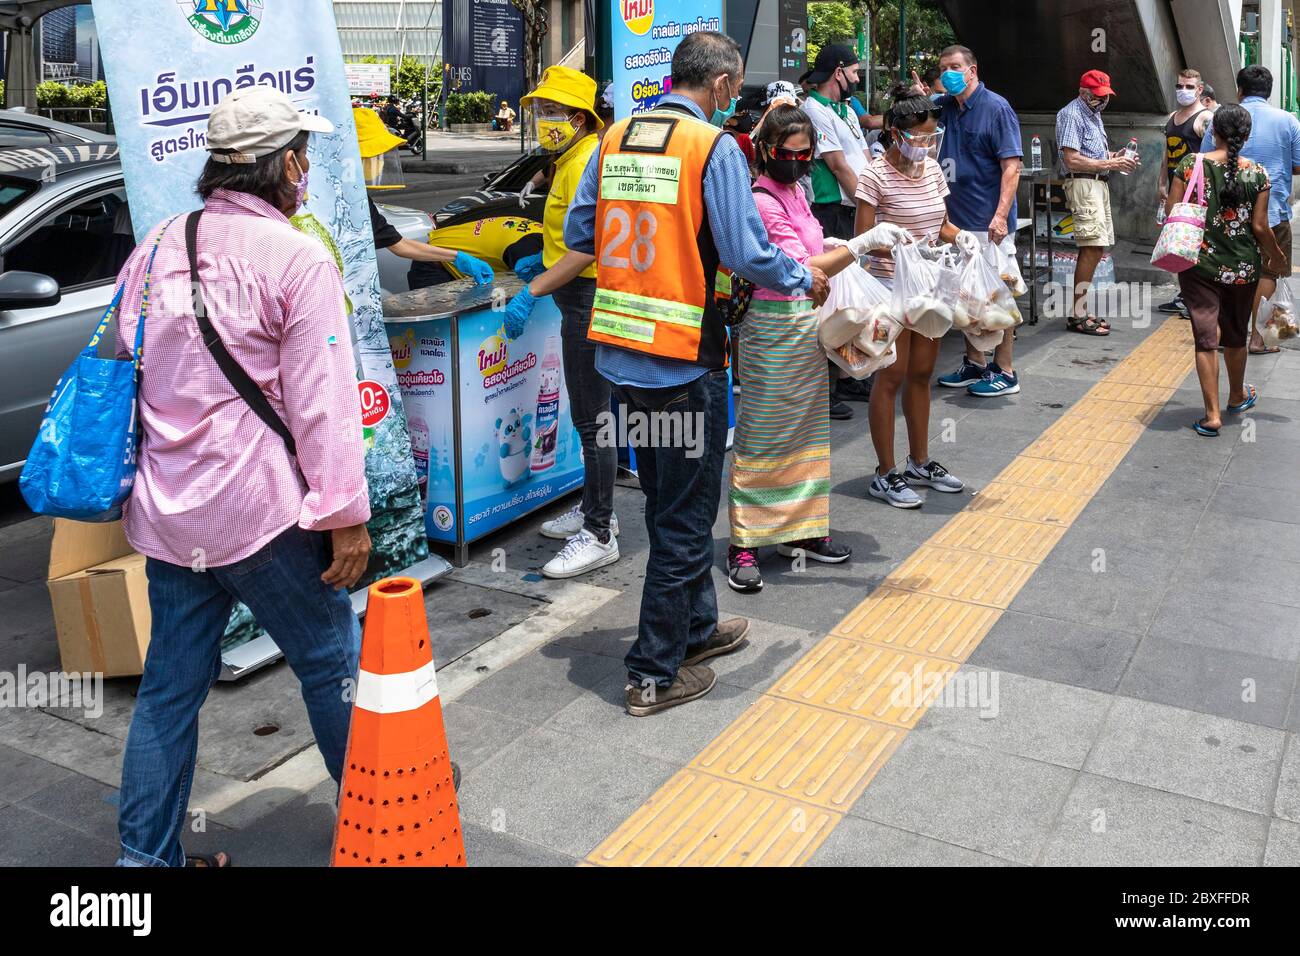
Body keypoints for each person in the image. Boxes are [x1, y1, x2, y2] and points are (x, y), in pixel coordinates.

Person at [111, 87, 369, 867]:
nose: (308, 171)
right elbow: (324, 405)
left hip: (170, 516)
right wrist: (345, 517)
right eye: (306, 157)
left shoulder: (158, 244)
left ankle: (143, 866)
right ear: (286, 164)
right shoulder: (295, 257)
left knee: (167, 694)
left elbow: (125, 355)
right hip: (262, 515)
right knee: (331, 665)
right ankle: (381, 822)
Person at [564, 31, 830, 715]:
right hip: (684, 360)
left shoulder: (615, 136)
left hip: (623, 354)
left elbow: (577, 234)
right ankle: (653, 672)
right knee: (685, 519)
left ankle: (697, 630)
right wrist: (803, 276)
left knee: (667, 500)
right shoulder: (710, 148)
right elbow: (747, 252)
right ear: (718, 84)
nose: (732, 99)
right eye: (733, 89)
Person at [726, 103, 907, 592]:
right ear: (768, 152)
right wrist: (864, 242)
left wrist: (837, 242)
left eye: (808, 154)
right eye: (792, 153)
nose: (802, 161)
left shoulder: (796, 191)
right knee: (763, 434)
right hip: (772, 328)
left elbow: (813, 248)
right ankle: (743, 542)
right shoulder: (763, 199)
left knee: (808, 432)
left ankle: (802, 533)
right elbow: (801, 263)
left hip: (807, 324)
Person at [501, 67, 618, 580]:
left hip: (587, 295)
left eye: (552, 112)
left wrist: (535, 287)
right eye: (539, 111)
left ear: (578, 117)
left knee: (595, 421)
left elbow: (586, 246)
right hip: (575, 294)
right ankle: (597, 506)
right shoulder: (568, 158)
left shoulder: (584, 160)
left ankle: (600, 531)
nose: (543, 120)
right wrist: (542, 267)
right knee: (589, 417)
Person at [856, 83, 980, 509]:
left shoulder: (930, 170)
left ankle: (920, 461)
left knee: (923, 373)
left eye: (932, 139)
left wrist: (962, 237)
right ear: (894, 134)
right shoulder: (874, 175)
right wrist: (899, 246)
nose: (926, 147)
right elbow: (863, 240)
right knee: (890, 376)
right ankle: (885, 472)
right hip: (890, 290)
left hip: (929, 288)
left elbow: (942, 224)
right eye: (919, 139)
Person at [1167, 104, 1286, 435]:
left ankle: (1212, 416)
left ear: (1212, 132)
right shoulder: (1258, 173)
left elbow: (1172, 210)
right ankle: (1236, 396)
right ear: (1246, 137)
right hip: (1243, 266)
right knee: (1236, 335)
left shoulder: (1191, 164)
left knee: (1206, 339)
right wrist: (1277, 256)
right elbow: (1261, 227)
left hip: (1198, 264)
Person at [931, 44, 1026, 396]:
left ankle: (1006, 370)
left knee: (998, 297)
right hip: (956, 227)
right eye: (943, 68)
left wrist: (1000, 216)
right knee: (967, 300)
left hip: (989, 227)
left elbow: (1011, 167)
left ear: (972, 70)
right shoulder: (943, 108)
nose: (948, 73)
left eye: (955, 66)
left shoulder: (996, 108)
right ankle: (975, 363)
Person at [1200, 65, 1300, 353]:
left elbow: (1209, 158)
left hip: (1225, 214)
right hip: (1272, 212)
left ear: (1239, 90)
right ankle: (1259, 339)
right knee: (1268, 273)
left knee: (1223, 270)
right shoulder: (1288, 121)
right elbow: (1298, 164)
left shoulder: (1223, 118)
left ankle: (1223, 333)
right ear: (1269, 91)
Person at [802, 43, 871, 419]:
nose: (858, 79)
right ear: (838, 71)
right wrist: (871, 205)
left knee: (850, 296)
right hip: (831, 211)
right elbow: (840, 167)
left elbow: (863, 159)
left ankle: (848, 374)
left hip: (852, 209)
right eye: (855, 71)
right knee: (828, 299)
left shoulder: (843, 110)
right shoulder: (814, 110)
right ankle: (823, 387)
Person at [354, 107, 494, 284]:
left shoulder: (359, 200)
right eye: (374, 155)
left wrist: (457, 257)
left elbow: (400, 245)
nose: (379, 161)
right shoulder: (338, 199)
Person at [1055, 69, 1139, 336]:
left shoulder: (1093, 114)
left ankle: (1081, 309)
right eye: (1096, 95)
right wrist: (1111, 162)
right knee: (1091, 245)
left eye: (1104, 95)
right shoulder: (1071, 114)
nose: (1101, 100)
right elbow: (1072, 159)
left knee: (1097, 245)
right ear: (1083, 93)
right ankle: (1077, 313)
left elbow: (1093, 154)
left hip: (1096, 182)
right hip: (1083, 182)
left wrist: (1115, 156)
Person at [1156, 69, 1214, 318]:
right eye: (1181, 85)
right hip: (1175, 191)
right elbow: (1167, 152)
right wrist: (1161, 182)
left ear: (1200, 89)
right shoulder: (1172, 117)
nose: (1184, 90)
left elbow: (1213, 156)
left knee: (1198, 245)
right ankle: (1186, 295)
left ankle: (1199, 298)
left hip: (1196, 194)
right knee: (1179, 244)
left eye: (1190, 86)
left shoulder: (1206, 118)